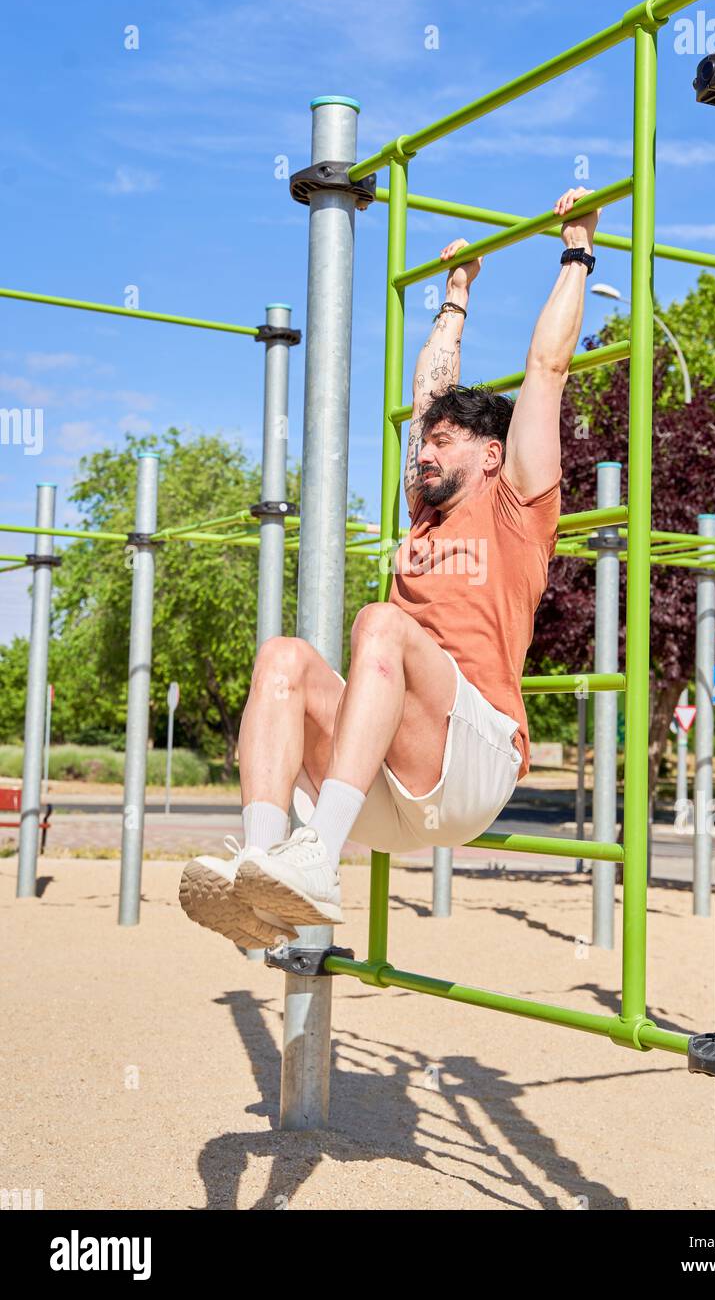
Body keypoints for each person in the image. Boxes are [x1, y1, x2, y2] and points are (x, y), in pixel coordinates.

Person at [179, 186, 601, 948]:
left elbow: (547, 367)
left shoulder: (518, 504)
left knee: (380, 622)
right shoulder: (424, 513)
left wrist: (576, 248)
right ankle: (265, 870)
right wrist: (457, 297)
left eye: (444, 443)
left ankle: (318, 860)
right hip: (382, 777)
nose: (427, 452)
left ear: (492, 455)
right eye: (425, 443)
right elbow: (426, 394)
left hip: (474, 762)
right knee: (283, 657)